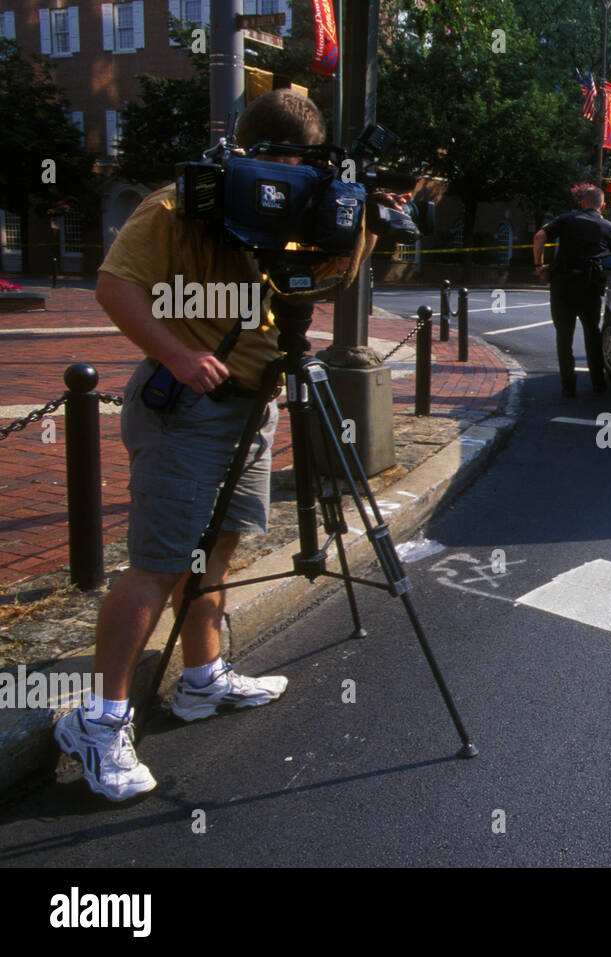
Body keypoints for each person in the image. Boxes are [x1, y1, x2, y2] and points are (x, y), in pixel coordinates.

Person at [53, 90, 397, 802]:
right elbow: (115, 286)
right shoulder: (181, 206)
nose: (285, 184)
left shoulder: (308, 209)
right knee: (154, 562)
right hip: (188, 407)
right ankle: (101, 717)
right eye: (275, 168)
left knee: (217, 549)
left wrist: (354, 221)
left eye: (301, 169)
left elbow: (323, 284)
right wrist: (176, 353)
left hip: (256, 398)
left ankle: (202, 679)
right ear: (245, 154)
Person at [533, 183, 611, 396]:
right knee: (592, 334)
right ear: (603, 205)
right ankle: (598, 383)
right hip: (590, 286)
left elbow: (539, 236)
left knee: (564, 336)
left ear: (582, 202)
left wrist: (539, 266)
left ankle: (568, 386)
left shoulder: (566, 220)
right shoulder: (609, 228)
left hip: (563, 284)